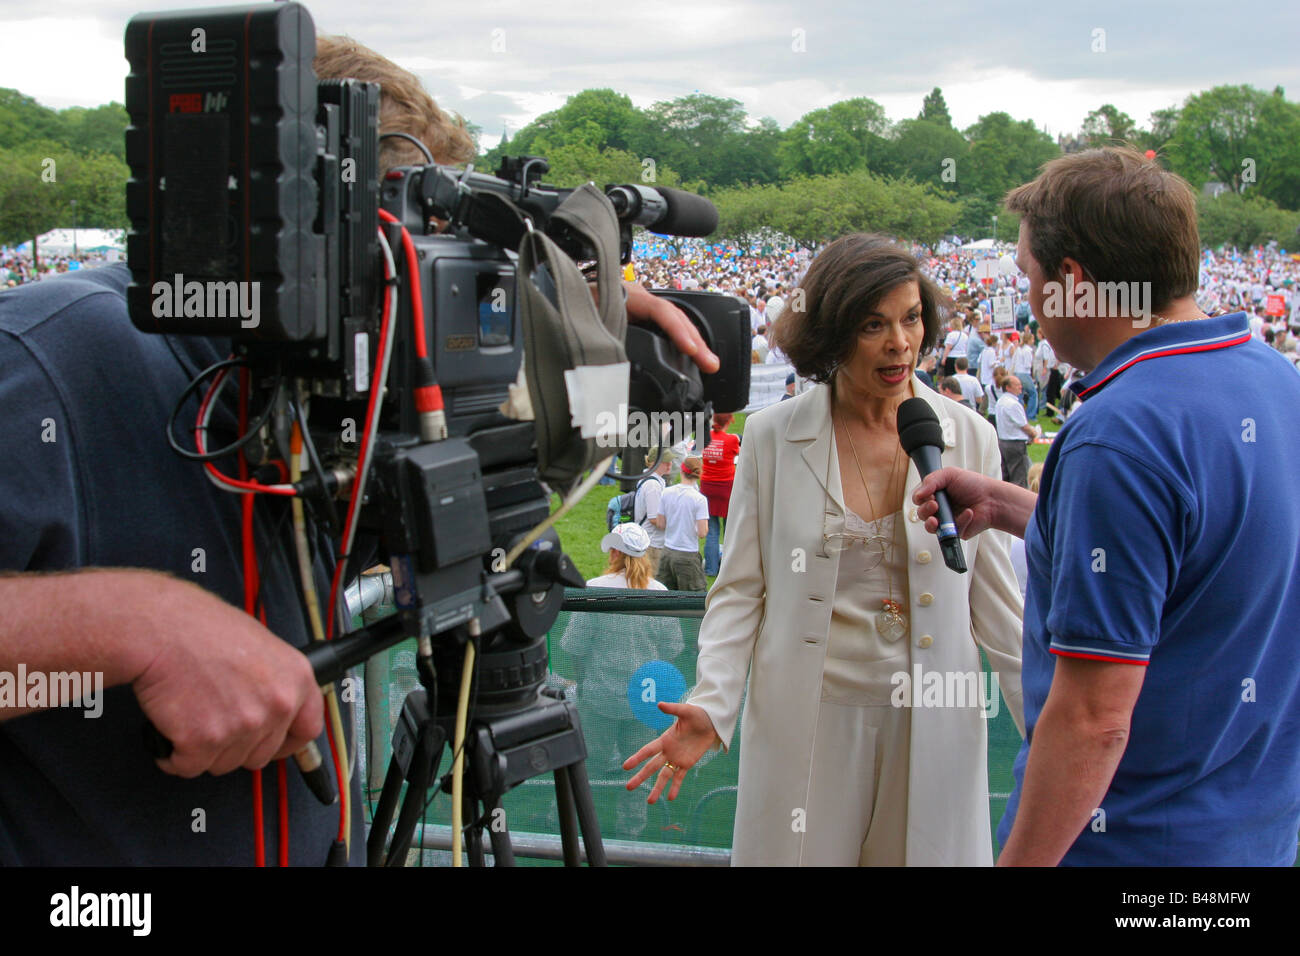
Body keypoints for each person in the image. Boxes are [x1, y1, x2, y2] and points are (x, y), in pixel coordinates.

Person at [0, 32, 718, 866]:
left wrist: (583, 314)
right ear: (280, 238)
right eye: (399, 255)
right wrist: (131, 627)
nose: (424, 293)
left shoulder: (347, 383)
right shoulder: (46, 364)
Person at [914, 146, 1300, 866]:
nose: (1026, 300)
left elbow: (1093, 719)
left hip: (1129, 846)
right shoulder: (1275, 380)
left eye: (1029, 276)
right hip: (1253, 837)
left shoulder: (1119, 432)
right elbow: (1199, 557)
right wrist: (1019, 508)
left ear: (1073, 284)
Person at [625, 233, 1025, 866]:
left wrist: (1056, 726)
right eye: (874, 325)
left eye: (912, 318)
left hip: (933, 723)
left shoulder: (966, 435)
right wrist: (712, 701)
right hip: (805, 725)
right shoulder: (773, 436)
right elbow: (740, 590)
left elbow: (997, 603)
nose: (900, 343)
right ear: (833, 333)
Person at [655, 456, 709, 591]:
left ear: (681, 471)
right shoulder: (699, 499)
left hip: (667, 552)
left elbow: (660, 524)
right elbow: (702, 533)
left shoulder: (666, 493)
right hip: (688, 554)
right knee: (694, 599)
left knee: (665, 597)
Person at [699, 414, 741, 577]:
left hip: (708, 486)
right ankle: (729, 569)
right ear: (728, 422)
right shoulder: (731, 440)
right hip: (726, 488)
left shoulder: (705, 437)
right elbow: (737, 452)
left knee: (712, 530)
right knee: (729, 529)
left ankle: (710, 569)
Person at [994, 369, 1038, 487]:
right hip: (1015, 444)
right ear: (1008, 387)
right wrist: (1033, 434)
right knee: (1019, 478)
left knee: (1005, 477)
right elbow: (1023, 425)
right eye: (1017, 385)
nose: (1020, 387)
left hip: (1003, 442)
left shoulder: (1001, 401)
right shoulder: (1013, 404)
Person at [633, 448, 672, 573]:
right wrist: (675, 525)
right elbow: (654, 518)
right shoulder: (653, 486)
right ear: (655, 463)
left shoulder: (648, 479)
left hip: (649, 540)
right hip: (652, 544)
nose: (670, 465)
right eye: (666, 462)